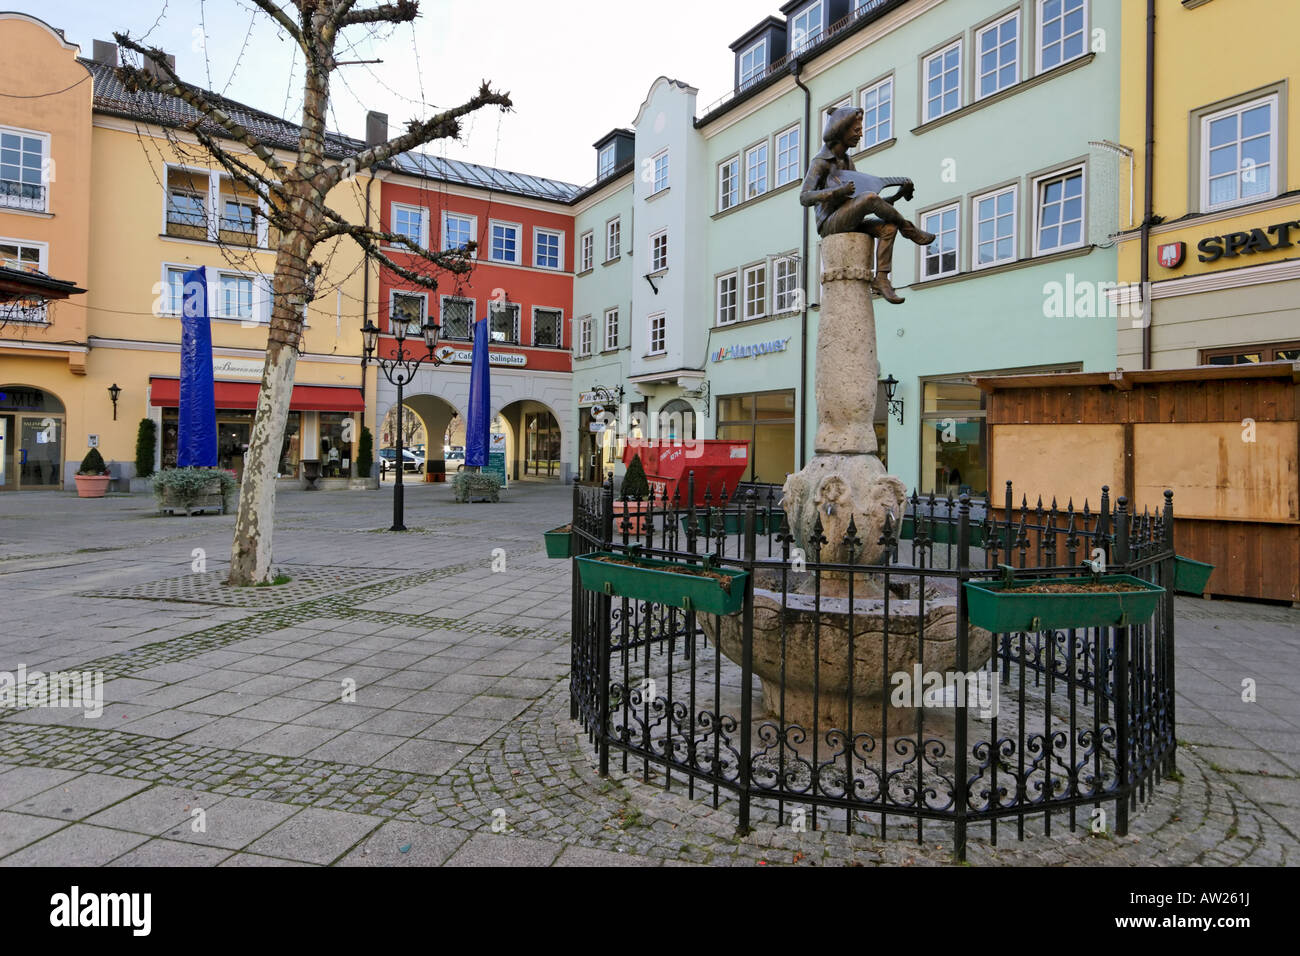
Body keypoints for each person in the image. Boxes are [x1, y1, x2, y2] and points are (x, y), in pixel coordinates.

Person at [799, 106, 935, 304]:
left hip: (850, 219)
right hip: (829, 224)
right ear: (840, 129)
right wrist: (836, 192)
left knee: (888, 227)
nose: (860, 134)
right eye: (856, 130)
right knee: (870, 199)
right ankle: (909, 229)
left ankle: (881, 279)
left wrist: (897, 195)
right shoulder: (821, 162)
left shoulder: (847, 161)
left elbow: (866, 202)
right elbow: (804, 197)